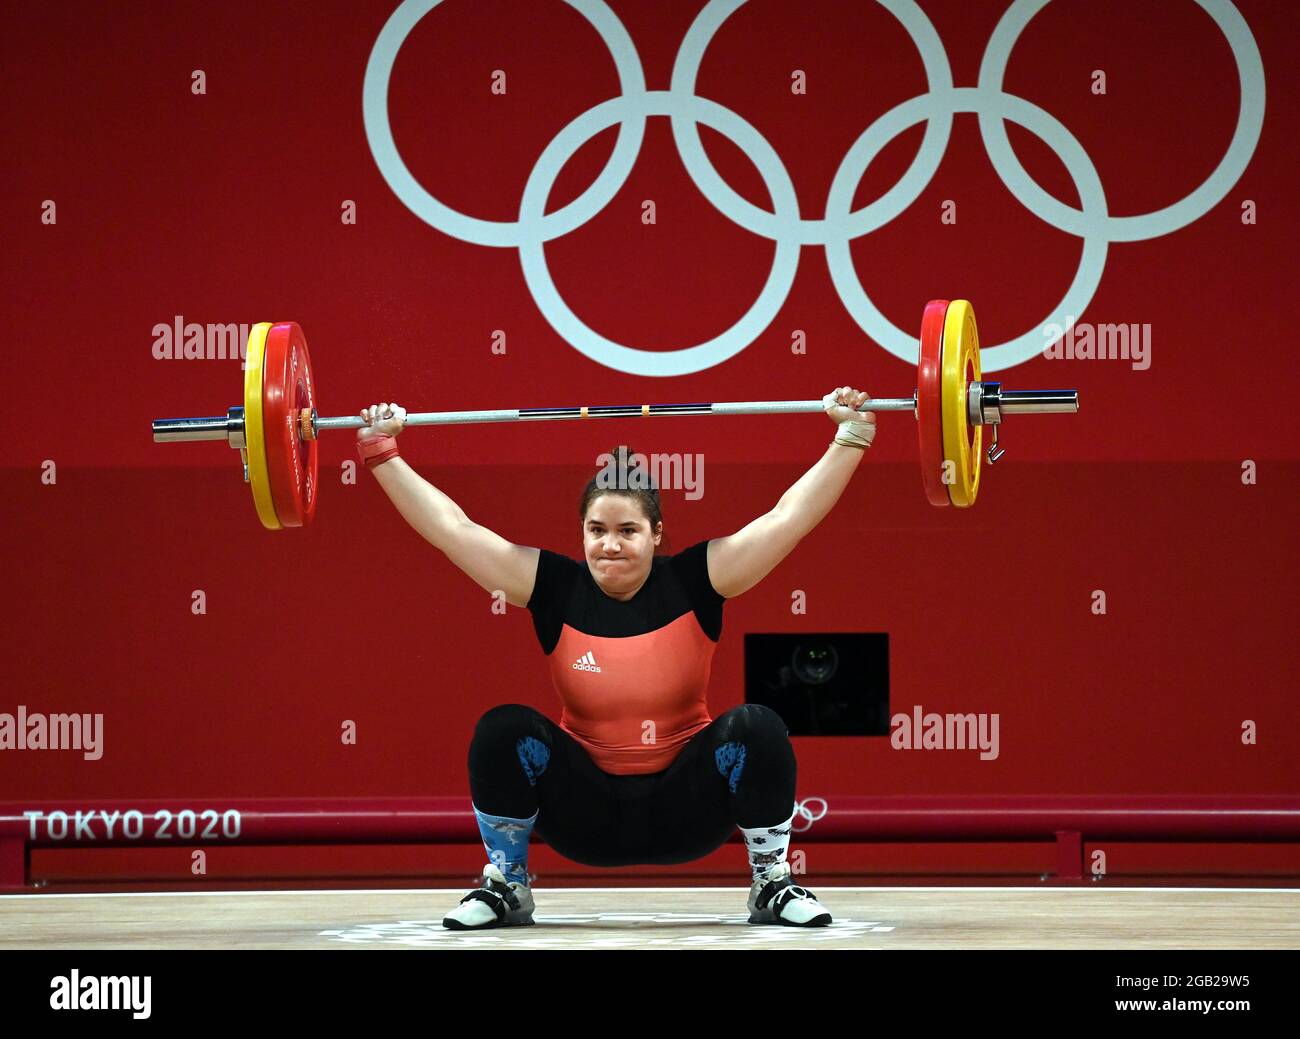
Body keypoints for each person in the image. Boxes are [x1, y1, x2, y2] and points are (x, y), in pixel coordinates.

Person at [353, 387, 876, 929]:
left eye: (628, 531)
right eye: (596, 531)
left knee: (758, 725)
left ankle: (771, 881)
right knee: (501, 729)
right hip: (585, 814)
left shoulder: (696, 580)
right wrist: (381, 452)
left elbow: (786, 519)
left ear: (656, 535)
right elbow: (453, 530)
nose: (610, 545)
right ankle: (507, 882)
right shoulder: (553, 587)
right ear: (581, 533)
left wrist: (850, 436)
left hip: (688, 809)